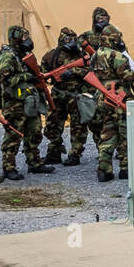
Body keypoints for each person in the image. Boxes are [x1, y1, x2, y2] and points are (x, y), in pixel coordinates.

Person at [0, 25, 54, 180]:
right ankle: (8, 167)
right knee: (14, 135)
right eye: (24, 37)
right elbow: (6, 79)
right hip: (14, 103)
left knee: (35, 131)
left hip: (29, 100)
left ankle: (34, 162)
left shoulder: (24, 55)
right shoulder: (8, 56)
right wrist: (26, 77)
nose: (27, 40)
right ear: (16, 39)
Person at [90, 24, 134, 182]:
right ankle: (125, 168)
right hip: (119, 98)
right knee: (125, 134)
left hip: (104, 98)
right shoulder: (117, 56)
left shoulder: (96, 55)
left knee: (107, 133)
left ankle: (104, 169)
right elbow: (127, 76)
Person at [39, 27, 90, 166]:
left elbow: (90, 69)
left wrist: (74, 71)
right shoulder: (51, 55)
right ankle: (54, 152)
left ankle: (75, 154)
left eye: (73, 39)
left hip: (76, 94)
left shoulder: (81, 55)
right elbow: (43, 73)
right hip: (58, 94)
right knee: (52, 125)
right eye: (68, 39)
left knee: (78, 127)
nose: (71, 42)